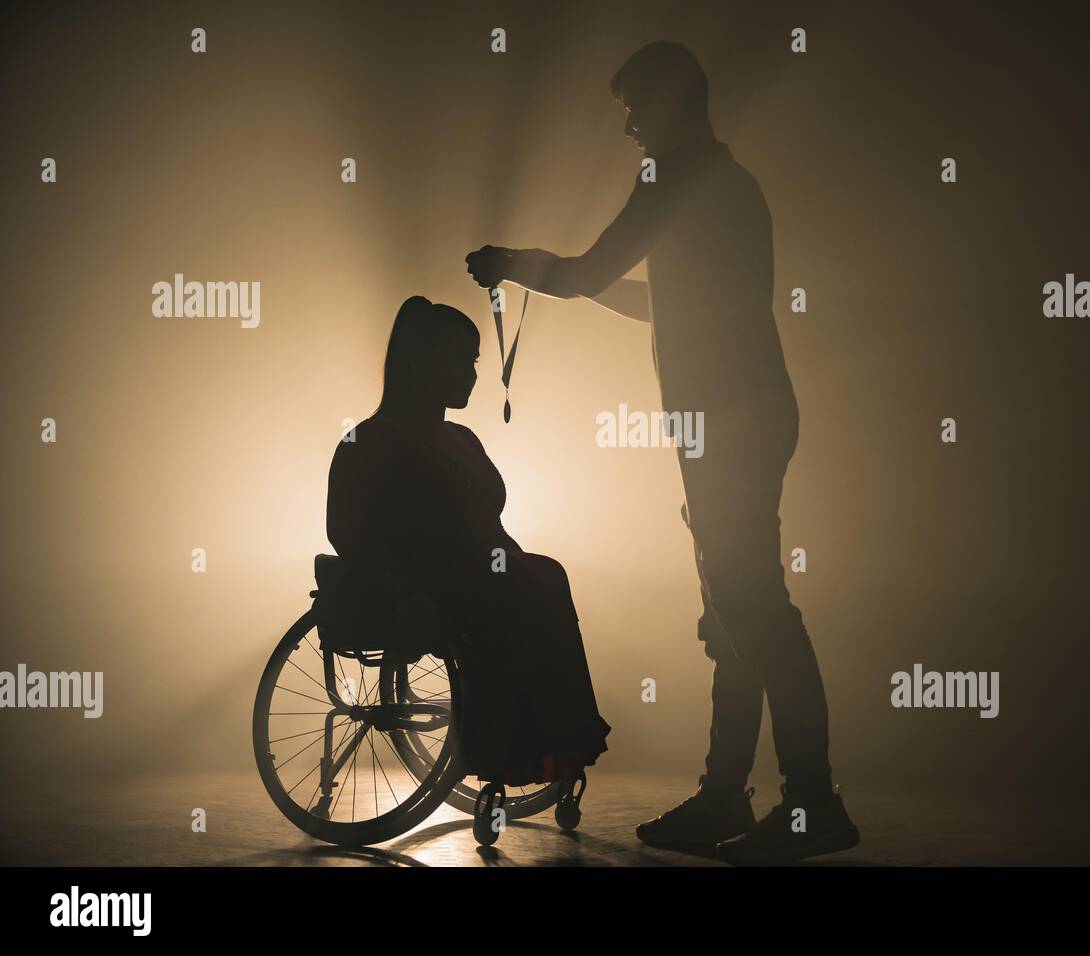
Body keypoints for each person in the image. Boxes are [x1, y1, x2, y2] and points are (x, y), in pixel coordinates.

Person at [465, 42, 858, 862]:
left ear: (672, 103)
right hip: (742, 419)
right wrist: (570, 280)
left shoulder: (674, 179)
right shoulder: (729, 185)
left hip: (730, 424)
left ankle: (809, 802)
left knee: (753, 612)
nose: (631, 127)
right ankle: (733, 796)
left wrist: (511, 265)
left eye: (637, 107)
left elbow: (582, 275)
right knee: (738, 613)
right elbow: (656, 298)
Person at [325, 295, 610, 786]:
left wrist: (514, 560)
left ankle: (559, 738)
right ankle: (512, 747)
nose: (472, 373)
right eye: (460, 360)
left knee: (541, 575)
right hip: (414, 587)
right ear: (420, 362)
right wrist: (406, 579)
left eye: (474, 361)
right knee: (519, 586)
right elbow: (346, 531)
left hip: (475, 574)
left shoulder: (463, 439)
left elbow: (488, 525)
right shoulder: (369, 440)